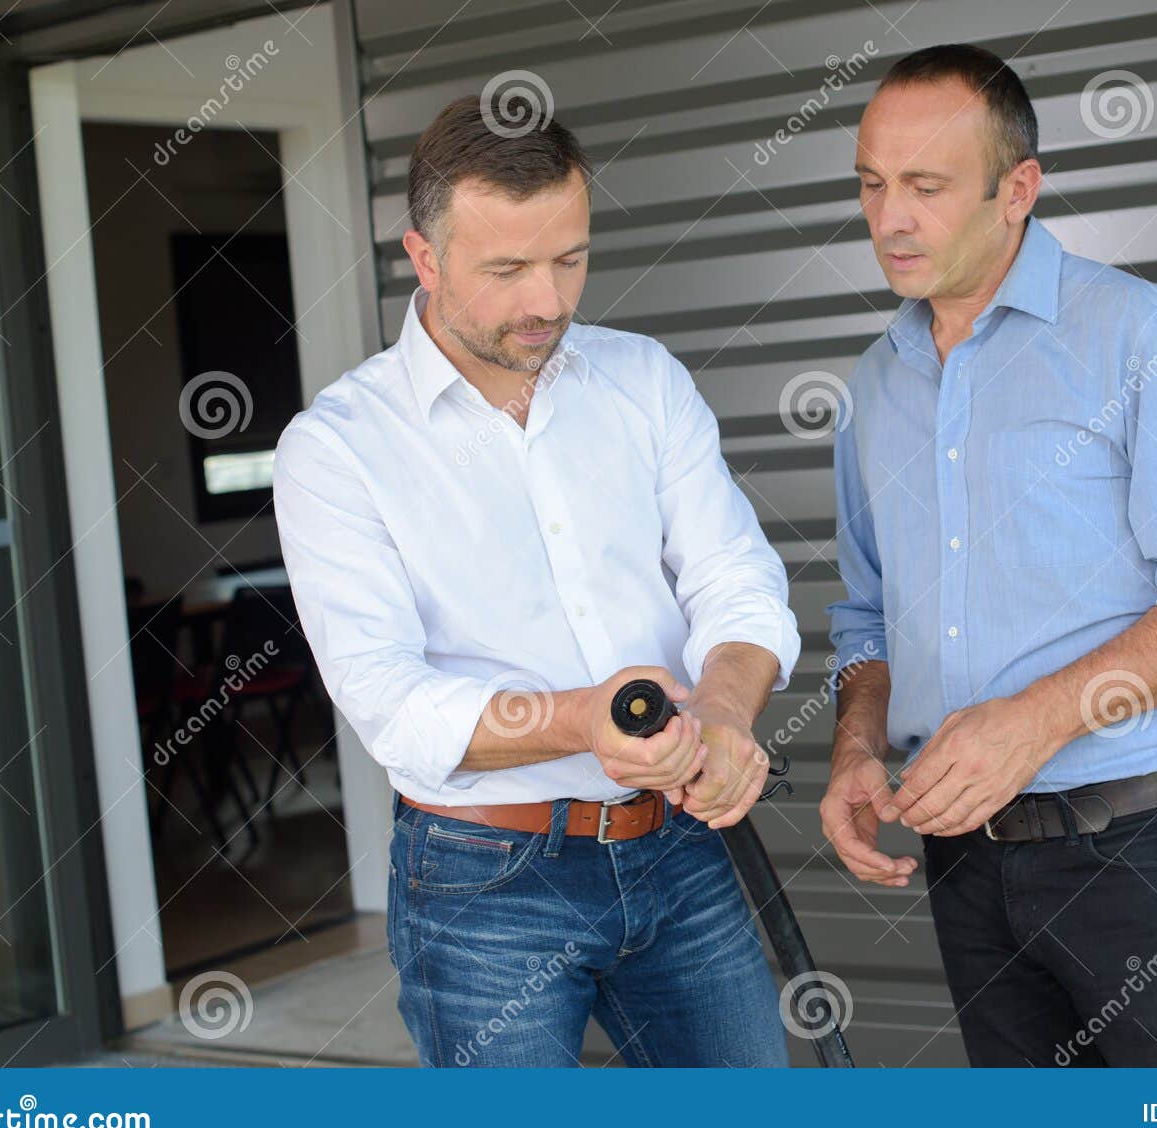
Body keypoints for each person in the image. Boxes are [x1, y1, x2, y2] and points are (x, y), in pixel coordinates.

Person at [273, 95, 800, 1067]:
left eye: (570, 258)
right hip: (481, 879)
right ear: (424, 259)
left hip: (679, 845)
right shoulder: (335, 451)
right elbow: (390, 703)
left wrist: (725, 713)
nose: (549, 301)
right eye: (507, 269)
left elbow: (736, 579)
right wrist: (576, 721)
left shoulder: (642, 381)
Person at [821, 44, 1157, 1066]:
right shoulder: (870, 386)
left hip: (1141, 852)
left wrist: (1035, 722)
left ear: (1017, 190)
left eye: (924, 186)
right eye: (871, 185)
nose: (889, 218)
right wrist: (858, 743)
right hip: (963, 863)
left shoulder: (1141, 336)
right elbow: (865, 619)